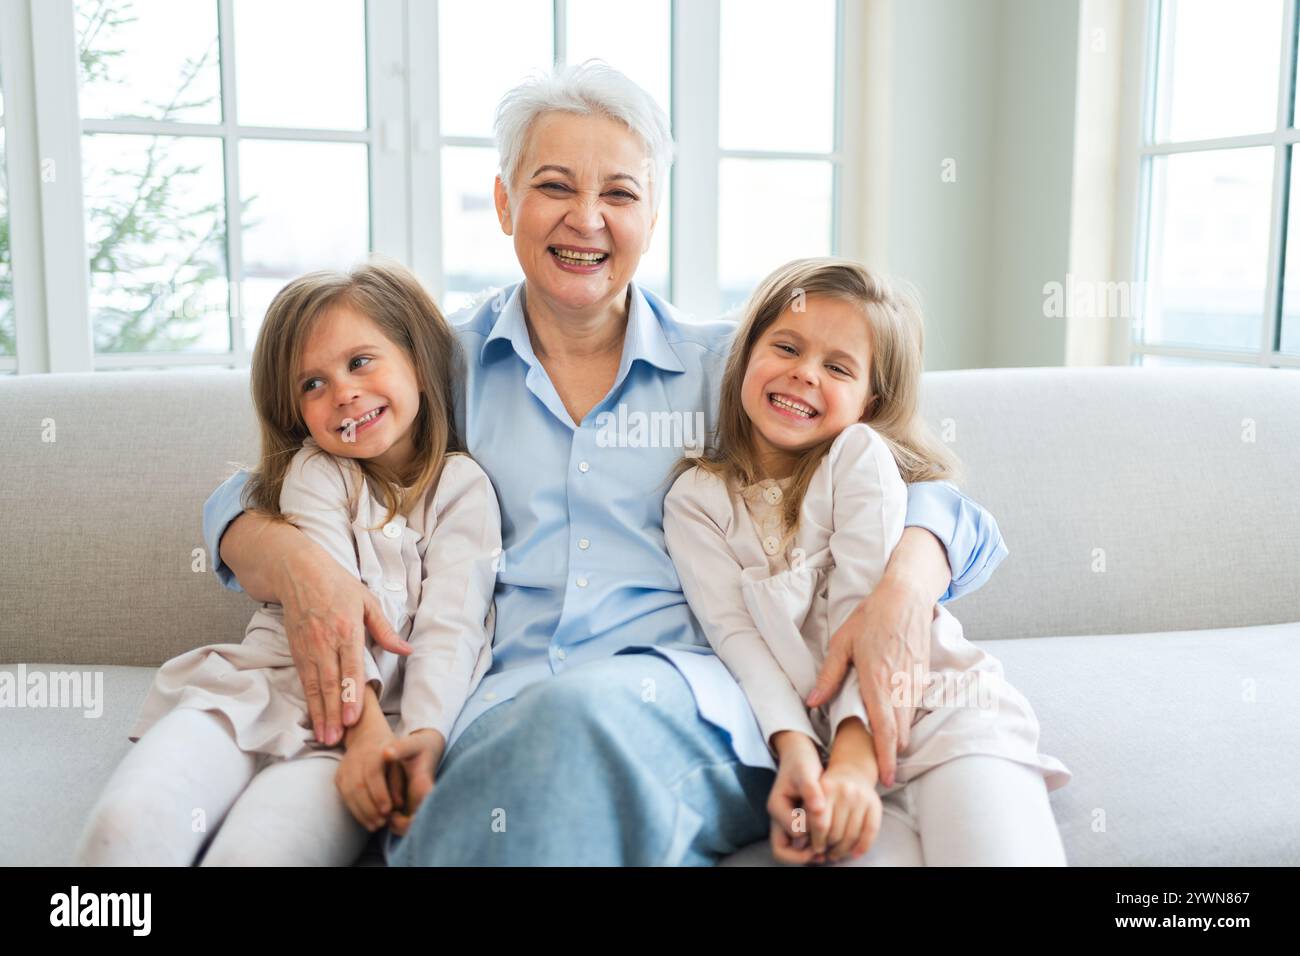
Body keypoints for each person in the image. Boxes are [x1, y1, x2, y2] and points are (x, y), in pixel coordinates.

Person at [201, 62, 1011, 865]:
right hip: (493, 712)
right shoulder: (435, 366)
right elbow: (248, 496)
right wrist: (304, 566)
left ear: (652, 218)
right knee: (526, 777)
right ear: (504, 202)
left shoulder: (732, 370)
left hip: (686, 706)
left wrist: (905, 582)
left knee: (568, 738)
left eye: (619, 194)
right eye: (555, 186)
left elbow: (935, 501)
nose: (586, 219)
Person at [74, 261, 500, 865]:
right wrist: (367, 732)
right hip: (261, 692)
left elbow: (451, 629)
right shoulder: (318, 471)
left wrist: (421, 739)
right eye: (312, 384)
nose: (343, 392)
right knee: (123, 831)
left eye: (359, 362)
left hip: (368, 733)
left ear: (419, 364)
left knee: (257, 854)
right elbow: (331, 611)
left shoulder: (464, 490)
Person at [664, 257, 1071, 865]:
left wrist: (855, 762)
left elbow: (865, 614)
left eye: (836, 367)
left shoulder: (858, 457)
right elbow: (738, 642)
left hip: (940, 714)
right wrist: (799, 756)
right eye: (786, 347)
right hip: (830, 755)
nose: (804, 375)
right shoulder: (694, 501)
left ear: (867, 400)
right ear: (746, 352)